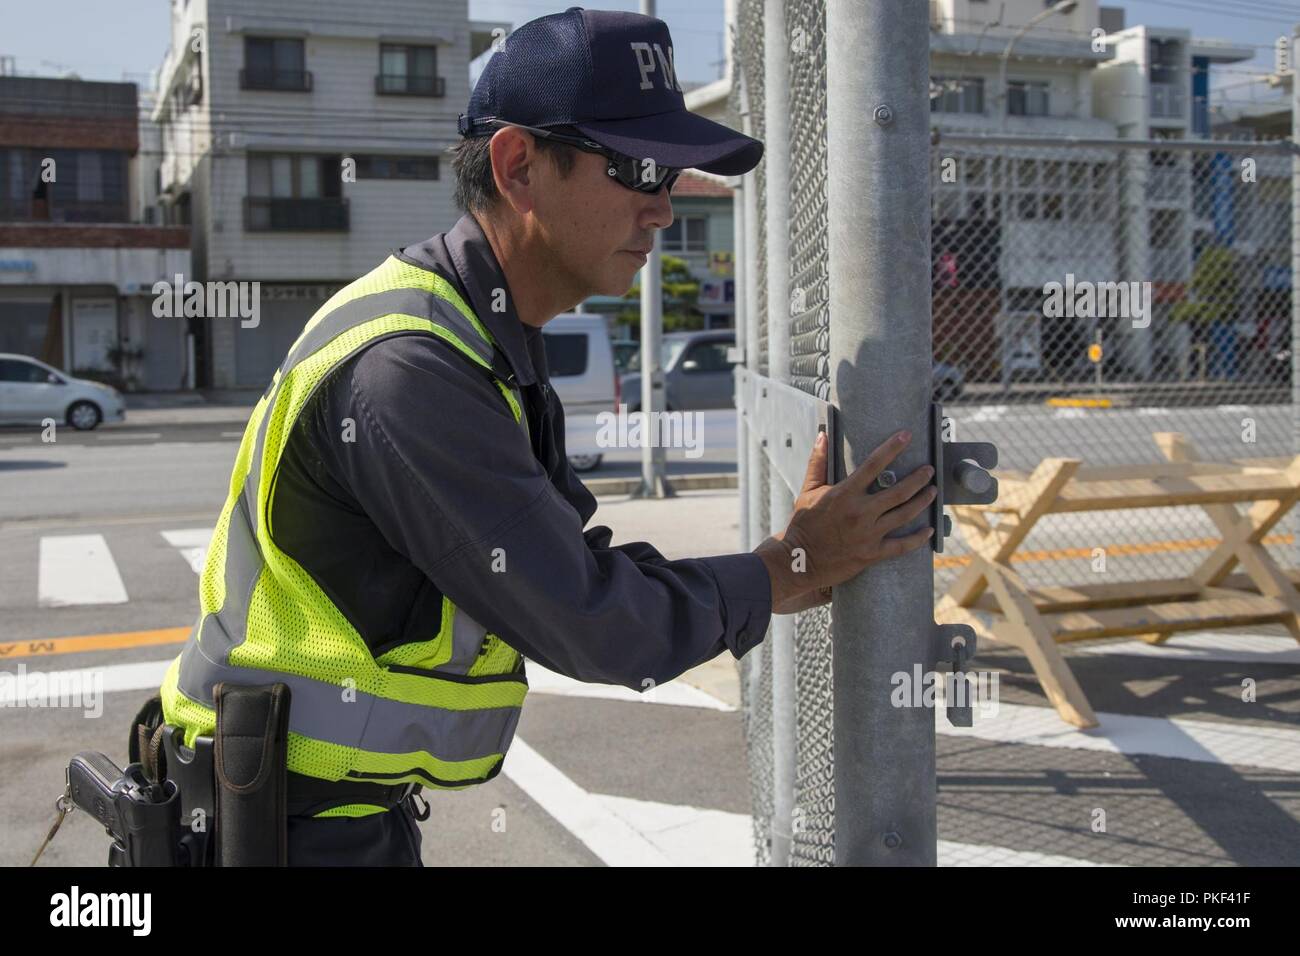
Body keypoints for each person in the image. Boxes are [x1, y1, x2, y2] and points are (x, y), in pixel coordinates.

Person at [155, 5, 936, 866]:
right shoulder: (410, 370)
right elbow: (591, 620)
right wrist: (792, 565)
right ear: (519, 164)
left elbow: (571, 565)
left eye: (673, 178)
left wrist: (783, 564)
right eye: (640, 169)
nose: (665, 211)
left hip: (308, 811)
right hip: (277, 829)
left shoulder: (479, 333)